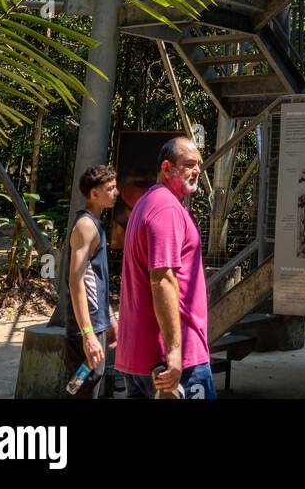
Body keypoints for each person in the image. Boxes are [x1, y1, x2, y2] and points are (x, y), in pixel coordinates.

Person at [115, 136, 216, 400]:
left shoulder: (148, 203)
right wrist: (174, 351)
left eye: (199, 165)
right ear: (167, 167)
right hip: (168, 358)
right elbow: (162, 279)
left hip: (138, 355)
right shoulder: (166, 209)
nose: (197, 170)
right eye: (189, 164)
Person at [65, 164, 118, 399]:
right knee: (82, 387)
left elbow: (97, 279)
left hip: (98, 321)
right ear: (94, 194)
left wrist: (110, 319)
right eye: (110, 188)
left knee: (91, 383)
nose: (116, 192)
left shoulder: (95, 223)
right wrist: (88, 334)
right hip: (85, 326)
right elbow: (75, 281)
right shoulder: (85, 226)